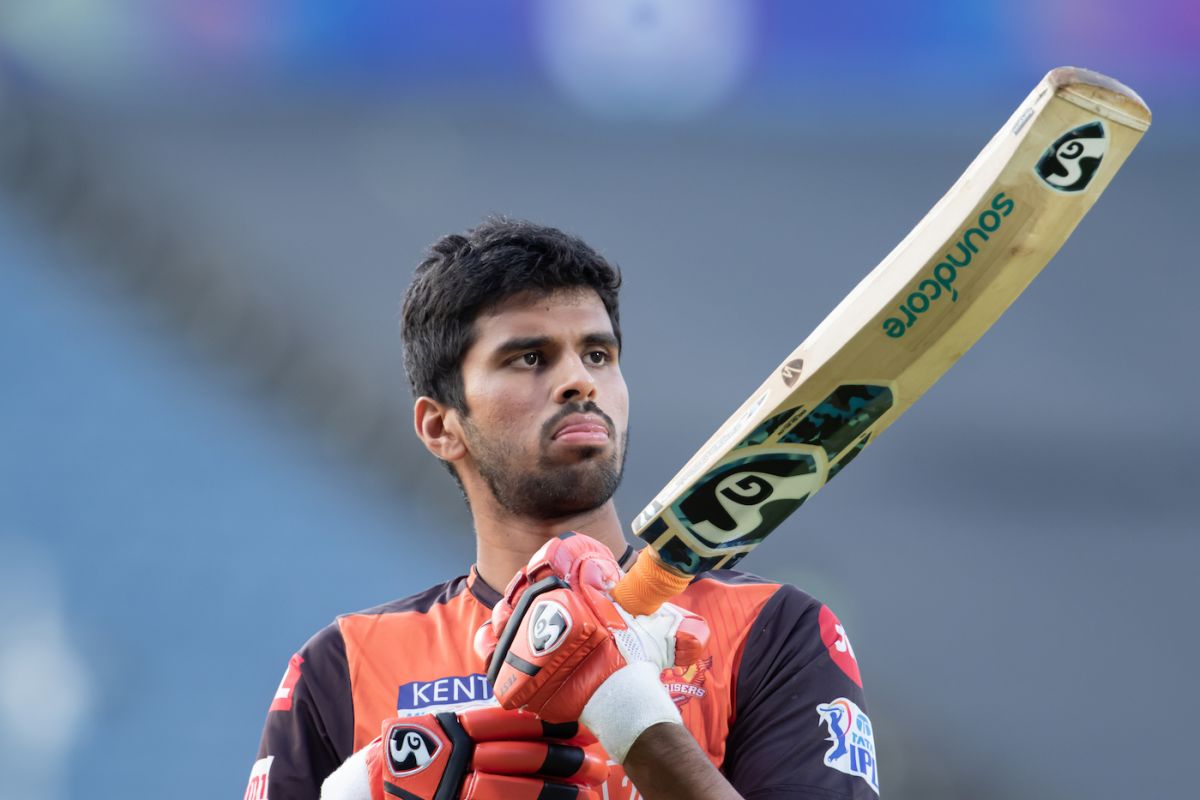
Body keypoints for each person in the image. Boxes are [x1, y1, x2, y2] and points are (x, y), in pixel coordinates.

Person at [246, 219, 879, 800]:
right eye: (530, 357)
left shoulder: (771, 628)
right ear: (440, 426)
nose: (581, 380)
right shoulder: (343, 666)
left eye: (598, 354)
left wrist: (633, 719)